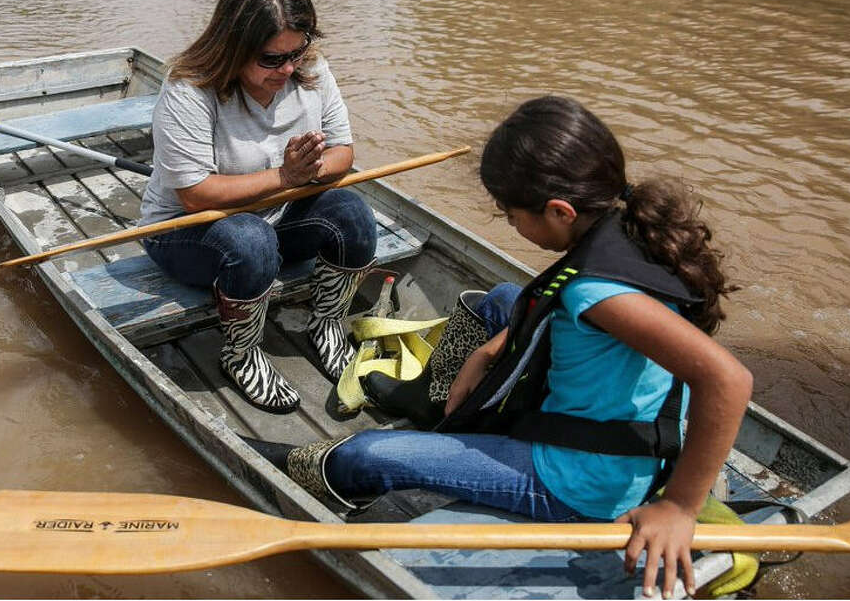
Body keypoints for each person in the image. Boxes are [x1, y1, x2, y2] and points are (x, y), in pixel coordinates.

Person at [269, 95, 753, 598]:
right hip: (614, 435)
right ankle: (436, 401)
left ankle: (307, 467)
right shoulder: (628, 225)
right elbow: (542, 307)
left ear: (560, 212)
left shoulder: (597, 292)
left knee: (366, 454)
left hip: (575, 482)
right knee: (503, 300)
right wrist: (486, 352)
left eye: (511, 215)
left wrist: (679, 508)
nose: (513, 226)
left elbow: (727, 380)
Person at [139, 0, 378, 414]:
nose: (286, 69)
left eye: (296, 52)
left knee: (353, 214)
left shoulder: (310, 69)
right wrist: (286, 178)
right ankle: (242, 351)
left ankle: (327, 323)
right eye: (270, 59)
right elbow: (196, 194)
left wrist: (307, 171)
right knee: (251, 240)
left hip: (278, 216)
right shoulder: (189, 88)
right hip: (188, 229)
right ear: (234, 47)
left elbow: (343, 153)